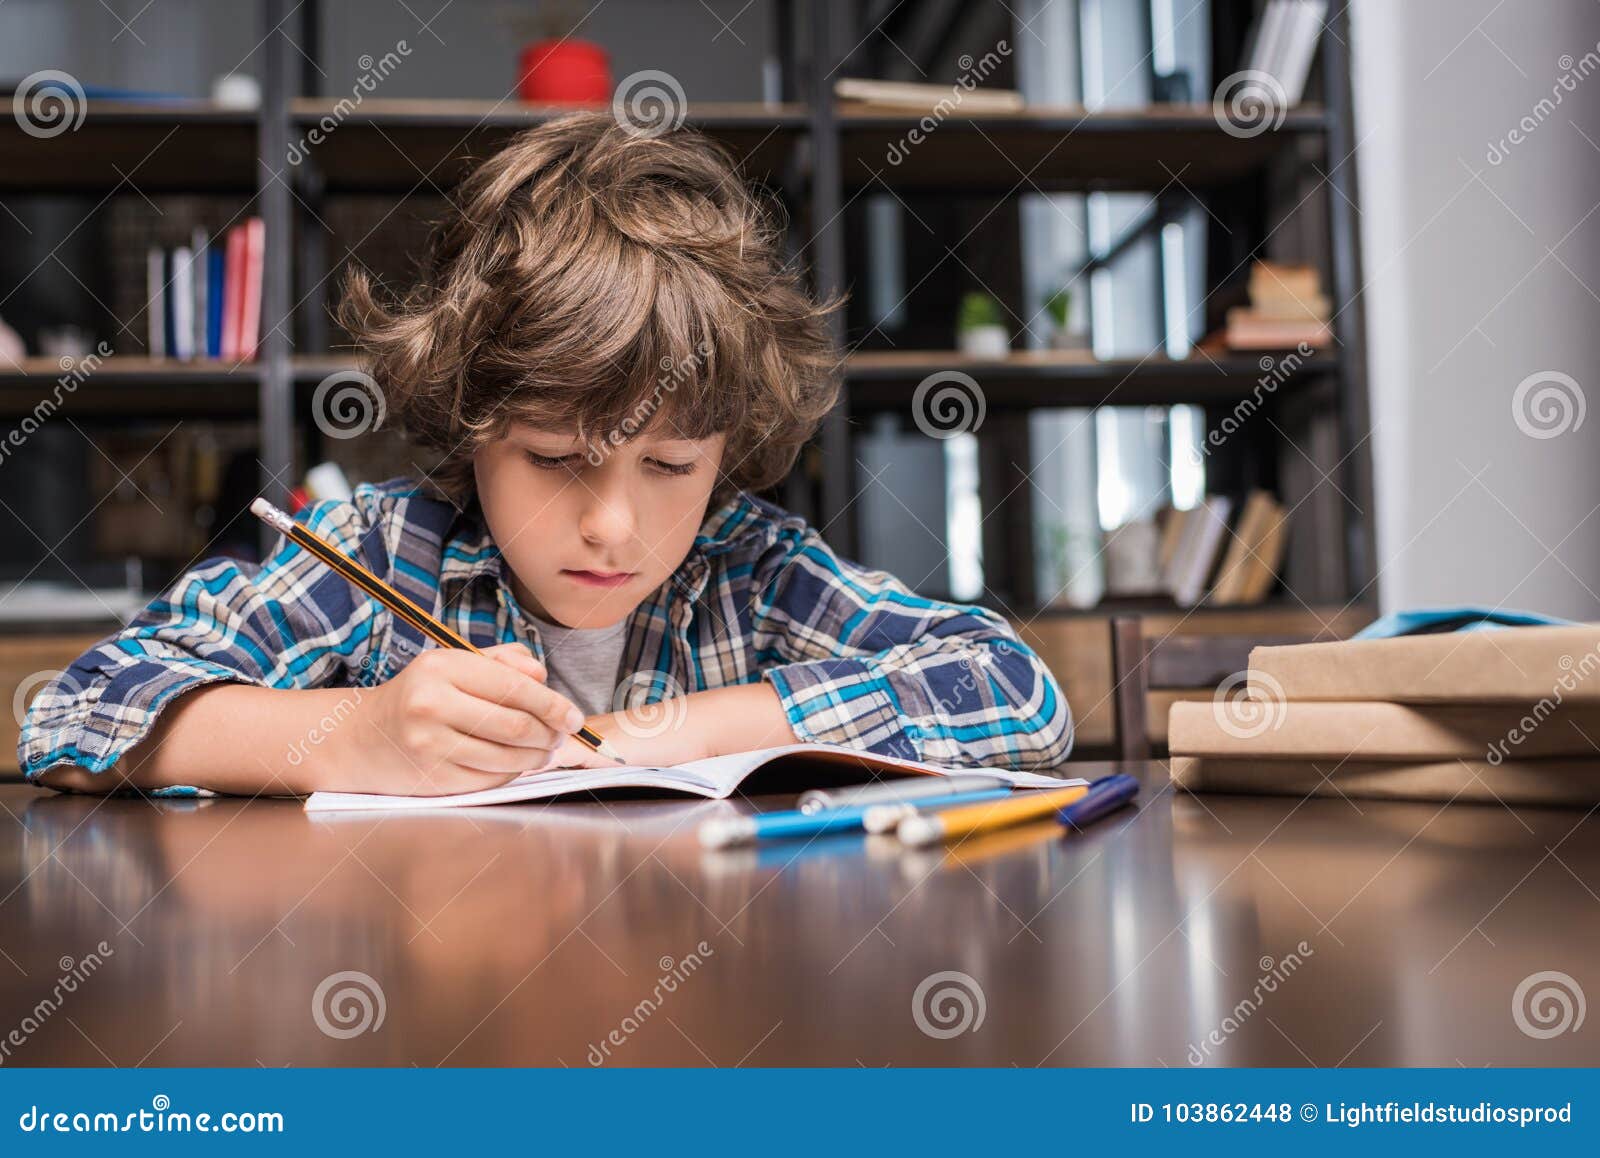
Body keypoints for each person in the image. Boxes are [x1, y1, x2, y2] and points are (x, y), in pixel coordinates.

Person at [21, 112, 1072, 797]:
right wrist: (352, 735)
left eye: (668, 468)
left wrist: (685, 729)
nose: (612, 525)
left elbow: (1017, 691)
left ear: (726, 448)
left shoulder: (752, 567)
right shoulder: (384, 552)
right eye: (557, 458)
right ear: (470, 423)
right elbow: (74, 712)